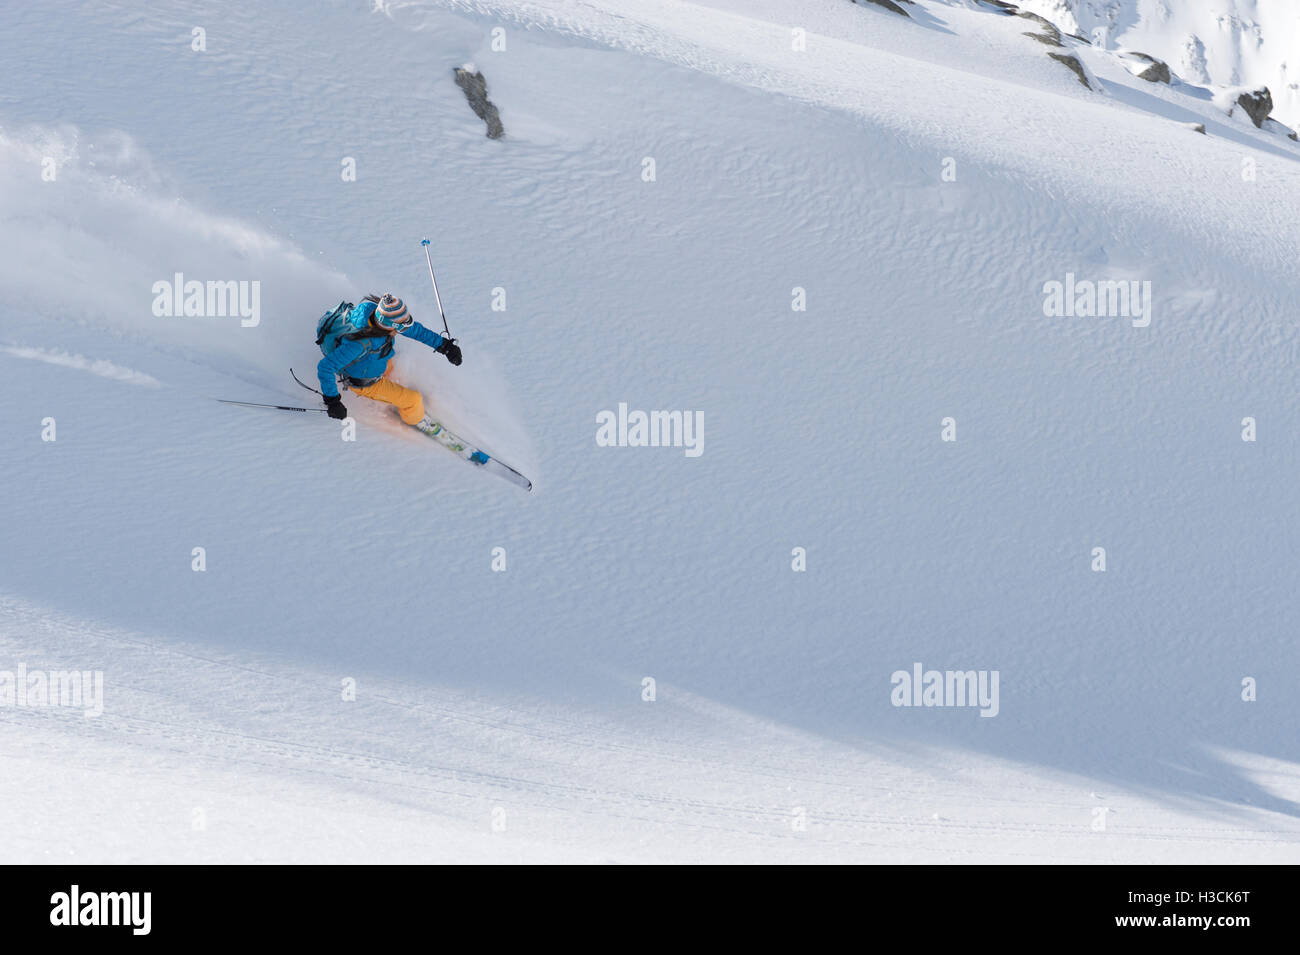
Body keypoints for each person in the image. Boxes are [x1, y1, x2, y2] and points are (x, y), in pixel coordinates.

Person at [315, 293, 462, 425]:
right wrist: (332, 401)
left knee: (392, 370)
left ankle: (396, 396)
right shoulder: (359, 344)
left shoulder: (377, 313)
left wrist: (444, 345)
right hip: (365, 381)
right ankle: (417, 419)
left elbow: (415, 330)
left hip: (375, 361)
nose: (404, 330)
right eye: (401, 328)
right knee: (414, 400)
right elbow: (325, 367)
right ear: (388, 327)